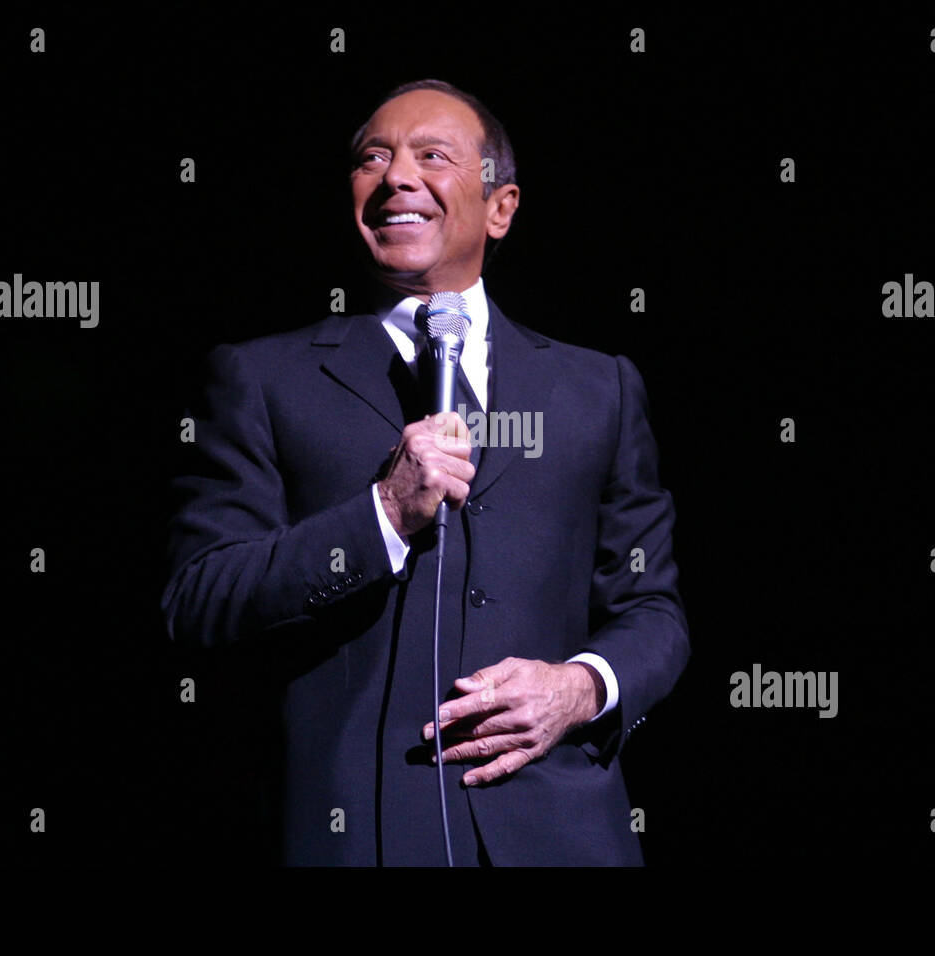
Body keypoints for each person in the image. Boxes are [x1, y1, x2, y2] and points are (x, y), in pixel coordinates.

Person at [160, 78, 690, 865]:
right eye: (373, 157)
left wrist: (579, 687)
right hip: (352, 835)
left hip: (560, 836)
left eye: (431, 156)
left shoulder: (597, 389)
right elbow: (198, 598)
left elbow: (653, 610)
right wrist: (381, 514)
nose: (396, 176)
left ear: (501, 206)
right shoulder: (262, 379)